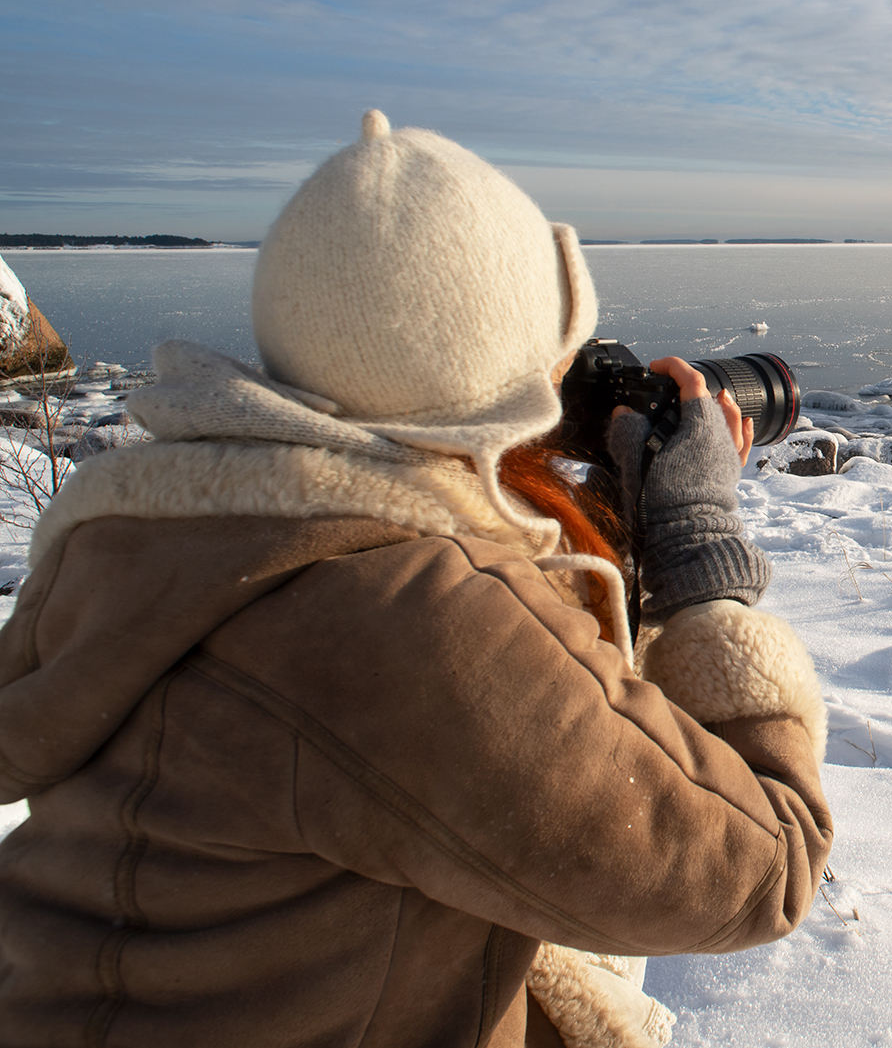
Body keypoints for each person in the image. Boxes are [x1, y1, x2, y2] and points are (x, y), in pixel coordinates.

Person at [0, 111, 831, 1046]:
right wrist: (697, 545)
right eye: (555, 351)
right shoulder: (411, 619)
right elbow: (764, 864)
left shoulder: (142, 543)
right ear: (489, 370)